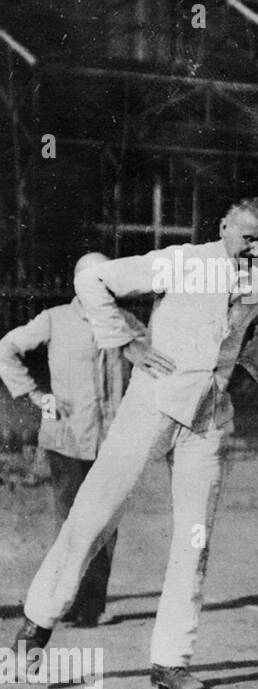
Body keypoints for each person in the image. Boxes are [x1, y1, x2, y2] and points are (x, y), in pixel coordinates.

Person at [10, 198, 258, 689]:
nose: (255, 248)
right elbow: (93, 281)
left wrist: (240, 370)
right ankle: (37, 623)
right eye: (247, 237)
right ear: (224, 228)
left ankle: (171, 661)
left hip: (207, 422)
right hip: (151, 407)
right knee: (95, 513)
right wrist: (123, 341)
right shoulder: (181, 261)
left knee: (194, 539)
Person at [0, 254, 142, 627]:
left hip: (113, 443)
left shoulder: (127, 325)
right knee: (71, 523)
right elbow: (6, 349)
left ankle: (91, 605)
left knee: (105, 524)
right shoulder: (55, 319)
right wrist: (35, 396)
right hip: (66, 439)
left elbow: (153, 367)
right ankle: (64, 600)